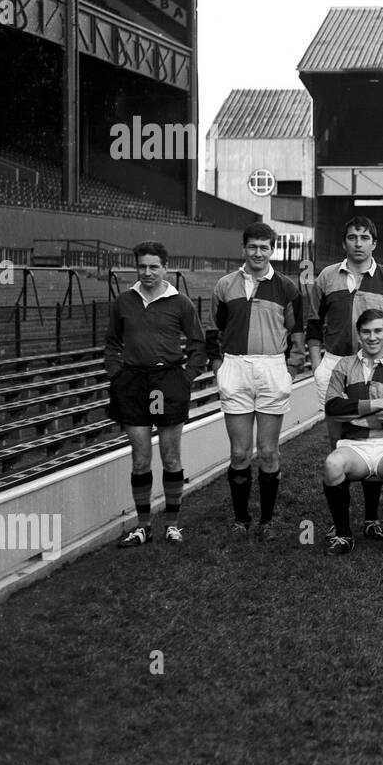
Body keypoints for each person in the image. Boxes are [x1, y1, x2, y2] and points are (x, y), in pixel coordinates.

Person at [305, 215, 383, 527]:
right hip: (337, 363)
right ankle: (343, 519)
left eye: (365, 238)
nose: (358, 243)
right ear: (344, 242)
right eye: (352, 237)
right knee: (340, 443)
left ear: (374, 243)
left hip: (376, 365)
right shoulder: (326, 276)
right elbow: (312, 321)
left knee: (374, 433)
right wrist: (315, 364)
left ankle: (373, 517)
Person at [207, 223, 306, 542]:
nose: (258, 253)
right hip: (235, 366)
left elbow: (298, 333)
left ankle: (266, 520)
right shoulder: (224, 285)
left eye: (264, 247)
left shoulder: (287, 287)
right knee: (239, 452)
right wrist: (219, 365)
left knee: (268, 451)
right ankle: (240, 519)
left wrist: (290, 368)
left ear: (272, 250)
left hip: (271, 367)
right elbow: (215, 329)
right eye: (253, 247)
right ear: (243, 249)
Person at [109, 241, 207, 547]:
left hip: (167, 382)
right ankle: (143, 526)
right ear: (136, 267)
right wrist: (116, 374)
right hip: (133, 382)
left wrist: (185, 378)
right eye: (142, 266)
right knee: (140, 458)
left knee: (170, 455)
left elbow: (198, 344)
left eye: (154, 266)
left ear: (165, 267)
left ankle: (173, 524)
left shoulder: (180, 303)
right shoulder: (125, 301)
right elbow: (111, 342)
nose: (148, 272)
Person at [320, 310, 383, 556]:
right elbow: (332, 406)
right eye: (366, 332)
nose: (372, 337)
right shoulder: (344, 365)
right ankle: (344, 535)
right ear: (359, 335)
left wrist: (362, 421)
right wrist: (376, 404)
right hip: (354, 446)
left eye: (377, 331)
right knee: (332, 464)